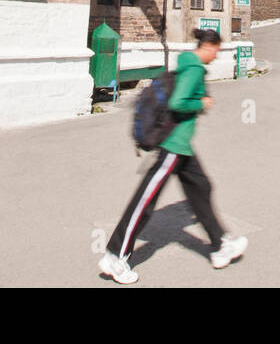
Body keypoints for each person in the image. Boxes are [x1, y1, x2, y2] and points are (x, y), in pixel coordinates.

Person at [98, 28, 247, 284]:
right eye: (216, 51)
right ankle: (115, 255)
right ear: (209, 47)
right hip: (173, 145)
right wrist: (201, 103)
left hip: (183, 146)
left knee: (201, 188)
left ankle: (220, 245)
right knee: (146, 199)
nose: (216, 57)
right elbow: (178, 102)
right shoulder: (195, 69)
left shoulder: (190, 65)